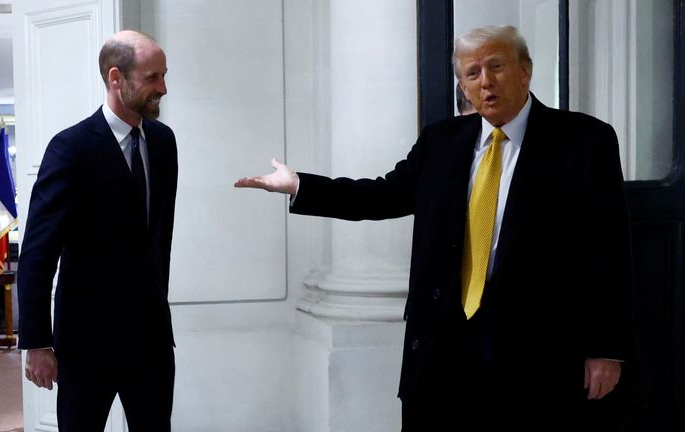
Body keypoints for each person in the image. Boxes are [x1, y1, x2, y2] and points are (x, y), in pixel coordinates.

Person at [235, 25, 633, 429]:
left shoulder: (584, 140)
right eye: (472, 73)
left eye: (496, 67)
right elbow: (383, 196)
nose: (486, 82)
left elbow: (608, 248)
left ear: (525, 71)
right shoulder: (443, 140)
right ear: (462, 84)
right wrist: (301, 185)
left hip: (538, 349)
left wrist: (606, 348)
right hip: (444, 344)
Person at [17, 30, 178, 431]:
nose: (163, 88)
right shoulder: (70, 148)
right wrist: (37, 342)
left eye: (164, 75)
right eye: (152, 77)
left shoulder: (163, 142)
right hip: (86, 343)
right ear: (115, 78)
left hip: (151, 341)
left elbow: (160, 241)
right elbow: (37, 252)